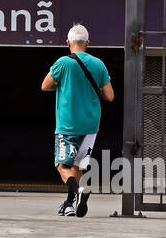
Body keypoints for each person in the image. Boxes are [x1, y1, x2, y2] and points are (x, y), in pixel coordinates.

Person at [41, 24, 114, 218]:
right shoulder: (99, 64)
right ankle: (69, 205)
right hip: (91, 125)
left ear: (68, 43)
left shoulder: (63, 63)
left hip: (68, 124)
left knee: (62, 165)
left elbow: (45, 85)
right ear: (87, 43)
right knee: (78, 165)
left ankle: (77, 191)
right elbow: (109, 95)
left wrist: (64, 82)